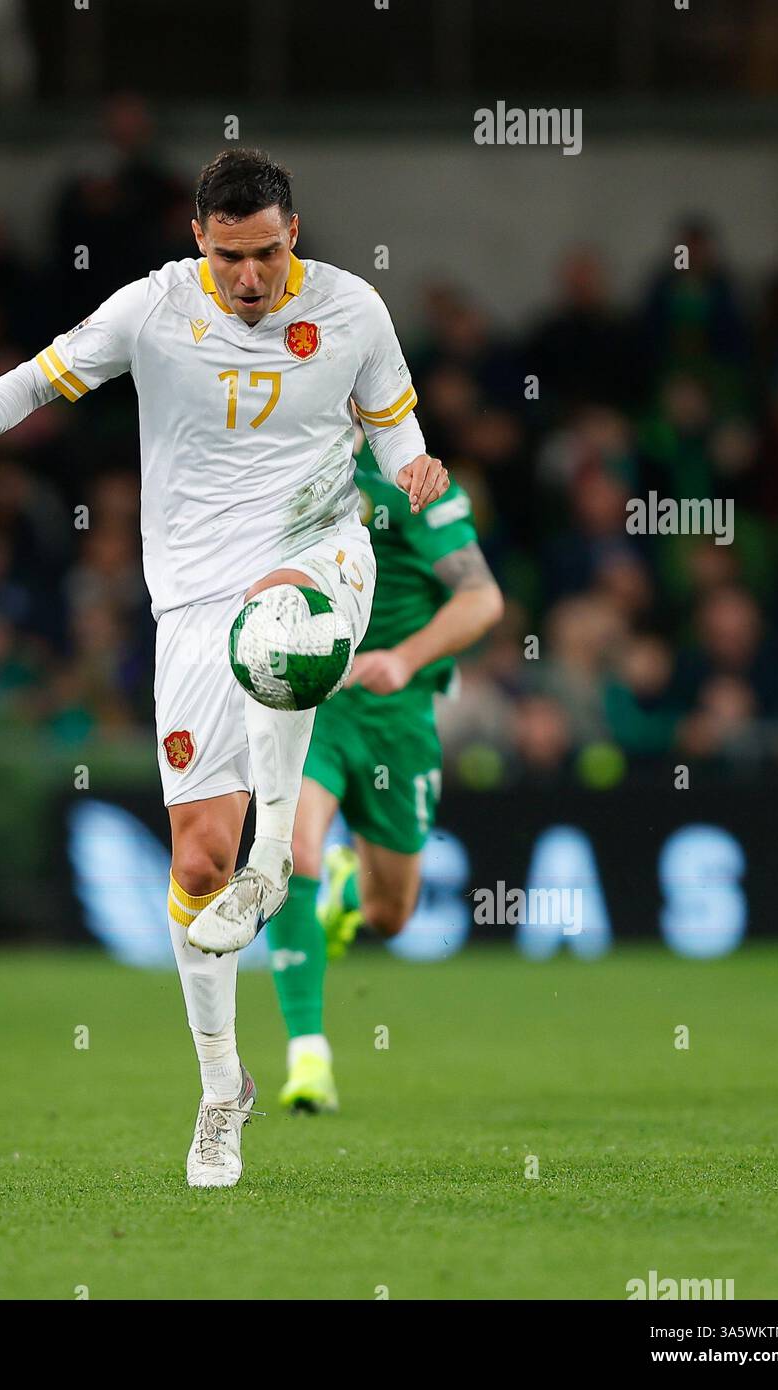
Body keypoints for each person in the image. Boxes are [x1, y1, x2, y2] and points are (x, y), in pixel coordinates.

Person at [0, 149, 448, 1187]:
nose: (248, 279)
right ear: (200, 242)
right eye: (228, 258)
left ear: (291, 233)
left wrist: (418, 469)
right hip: (190, 603)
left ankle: (278, 865)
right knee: (196, 865)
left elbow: (398, 437)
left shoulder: (353, 311)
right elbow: (51, 368)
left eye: (264, 255)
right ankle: (222, 1092)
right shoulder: (155, 306)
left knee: (283, 630)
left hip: (320, 559)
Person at [270, 429, 503, 1111]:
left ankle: (347, 896)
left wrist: (403, 657)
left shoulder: (416, 484)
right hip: (317, 700)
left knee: (391, 914)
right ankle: (307, 1054)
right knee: (292, 848)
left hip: (397, 715)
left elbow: (482, 599)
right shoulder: (277, 469)